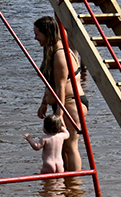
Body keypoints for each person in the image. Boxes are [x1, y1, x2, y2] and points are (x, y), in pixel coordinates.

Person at [33, 16, 85, 173]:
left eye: (37, 34)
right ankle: (66, 187)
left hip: (71, 102)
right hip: (61, 103)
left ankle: (74, 185)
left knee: (70, 146)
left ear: (47, 33)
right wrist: (44, 102)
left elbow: (61, 86)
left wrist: (59, 114)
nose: (35, 38)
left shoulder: (60, 55)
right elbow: (51, 82)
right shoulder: (51, 51)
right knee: (61, 148)